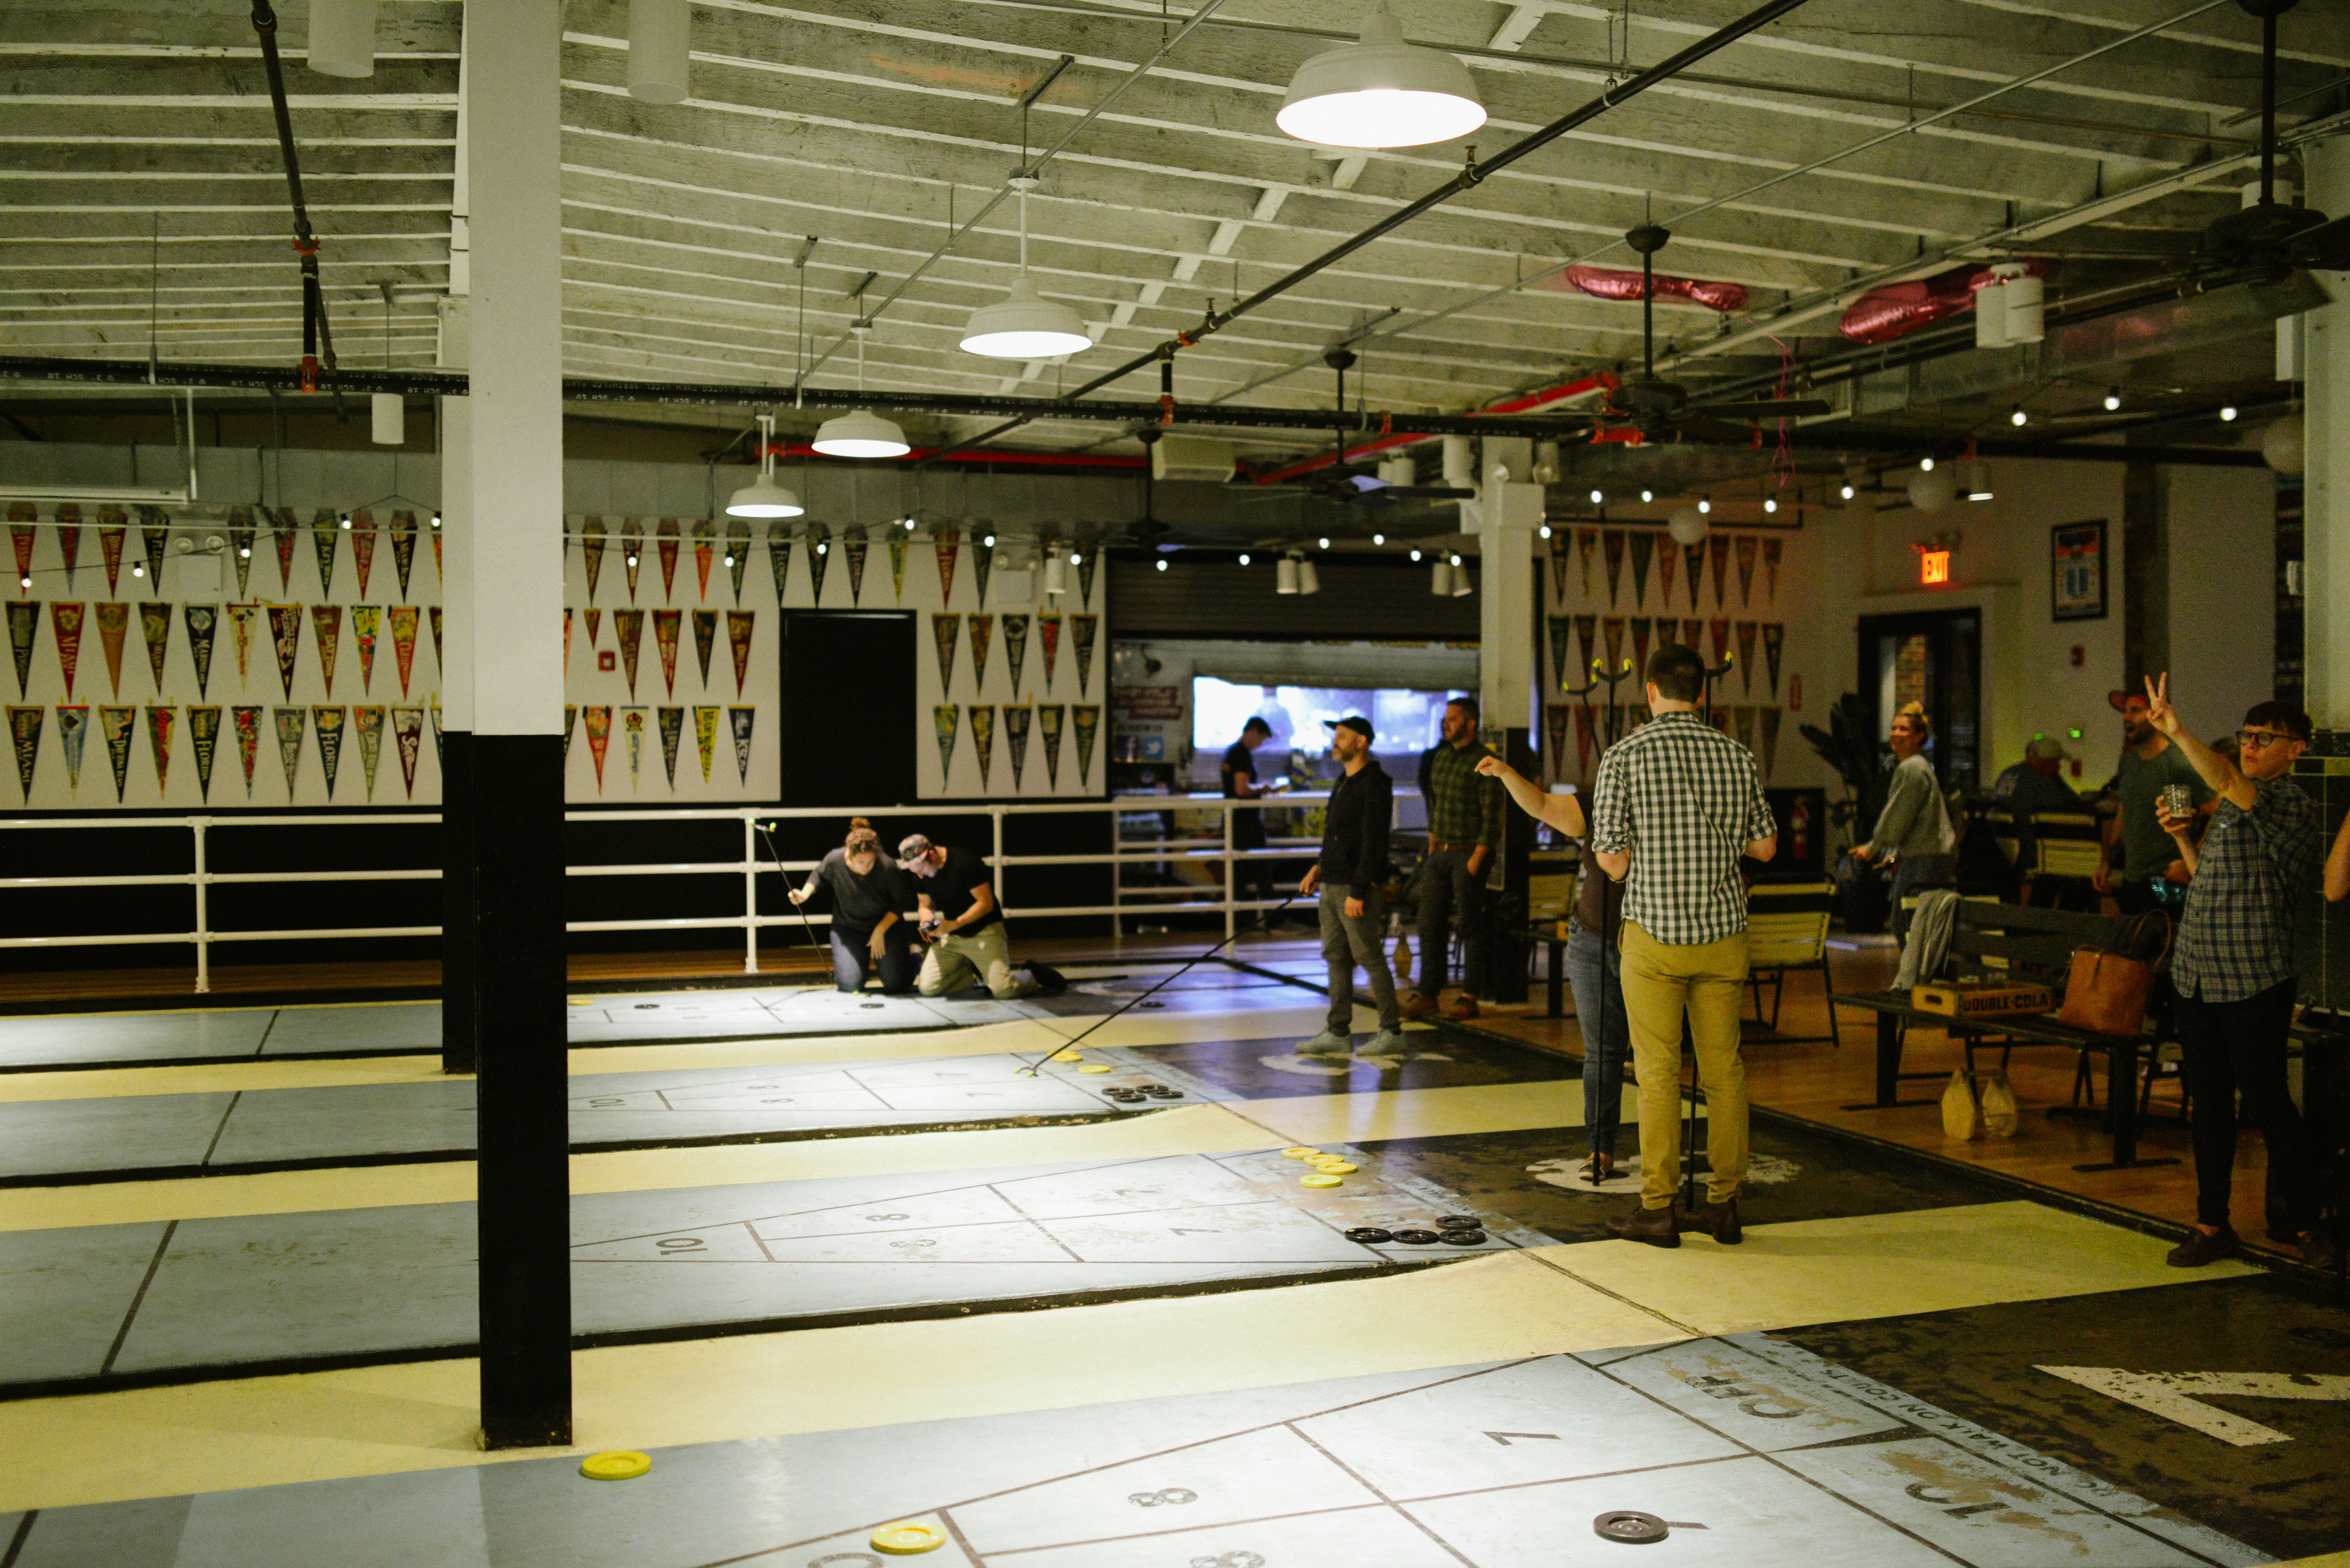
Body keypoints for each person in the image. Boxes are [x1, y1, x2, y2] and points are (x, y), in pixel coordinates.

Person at [1588, 643, 1778, 1246]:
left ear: (1649, 690)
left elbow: (1612, 856)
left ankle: (1659, 1207)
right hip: (1723, 934)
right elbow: (1766, 847)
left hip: (1655, 936)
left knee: (1659, 1074)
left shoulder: (1624, 756)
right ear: (1703, 693)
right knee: (1725, 1072)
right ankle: (1724, 1204)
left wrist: (1627, 872)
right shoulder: (1737, 755)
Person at [2143, 679, 2336, 1272]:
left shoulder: (2292, 806)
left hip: (2253, 976)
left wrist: (2176, 732)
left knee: (2269, 1101)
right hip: (2200, 971)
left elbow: (2226, 777)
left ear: (2295, 749)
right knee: (2210, 1104)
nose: (2251, 745)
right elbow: (2209, 881)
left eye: (2264, 738)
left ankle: (2307, 1219)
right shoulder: (2233, 804)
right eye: (2247, 736)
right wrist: (2181, 837)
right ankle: (2212, 1221)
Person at [1479, 756, 1631, 1184]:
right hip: (1593, 937)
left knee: (1651, 1058)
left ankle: (1661, 1155)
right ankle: (1600, 1149)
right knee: (1602, 1053)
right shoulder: (1599, 801)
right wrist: (1509, 774)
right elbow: (1545, 806)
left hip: (1646, 941)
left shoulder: (1671, 804)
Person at [1297, 715, 1407, 1058]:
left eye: (1343, 737)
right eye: (1336, 736)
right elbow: (1336, 833)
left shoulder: (1374, 782)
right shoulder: (1343, 781)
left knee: (1369, 957)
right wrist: (1318, 867)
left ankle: (1391, 1030)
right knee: (1336, 957)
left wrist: (1360, 890)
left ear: (1362, 742)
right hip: (1331, 882)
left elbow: (1374, 840)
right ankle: (1337, 1031)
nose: (1335, 742)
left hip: (1353, 886)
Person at [1406, 696, 1505, 1022]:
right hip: (1442, 850)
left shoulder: (1486, 760)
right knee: (1428, 922)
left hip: (1468, 853)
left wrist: (1480, 853)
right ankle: (1428, 993)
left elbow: (1493, 812)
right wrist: (1433, 835)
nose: (1445, 723)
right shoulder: (1441, 758)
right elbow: (1434, 801)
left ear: (1470, 724)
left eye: (1452, 719)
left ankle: (1470, 995)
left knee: (1469, 924)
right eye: (1445, 718)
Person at [2096, 687, 2211, 914]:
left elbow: (2218, 812)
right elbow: (2124, 815)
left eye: (2136, 711)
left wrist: (2192, 860)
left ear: (2157, 715)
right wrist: (2107, 862)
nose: (2127, 718)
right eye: (2125, 712)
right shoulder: (2128, 763)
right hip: (2134, 879)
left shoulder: (2179, 761)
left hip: (2169, 881)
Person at [1853, 702, 1956, 939]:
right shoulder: (1919, 767)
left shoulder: (1912, 769)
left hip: (1925, 859)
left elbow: (1899, 815)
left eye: (1904, 730)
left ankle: (1916, 976)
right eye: (1894, 729)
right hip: (1934, 855)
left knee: (1906, 924)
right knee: (1929, 926)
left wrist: (1874, 846)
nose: (1896, 734)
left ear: (1919, 737)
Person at [899, 833, 1038, 1000]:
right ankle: (975, 972)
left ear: (932, 854)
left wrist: (954, 924)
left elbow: (986, 903)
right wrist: (927, 922)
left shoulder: (965, 863)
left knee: (1005, 991)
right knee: (929, 988)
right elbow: (925, 905)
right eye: (915, 871)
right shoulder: (921, 874)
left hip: (984, 932)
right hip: (954, 938)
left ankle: (1032, 975)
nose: (920, 875)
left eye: (921, 869)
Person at [790, 819, 916, 994]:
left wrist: (881, 930)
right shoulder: (835, 859)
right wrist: (804, 894)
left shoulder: (886, 865)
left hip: (886, 929)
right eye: (861, 862)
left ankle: (914, 957)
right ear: (849, 854)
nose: (867, 867)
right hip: (848, 929)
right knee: (850, 985)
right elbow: (819, 875)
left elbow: (903, 900)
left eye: (871, 862)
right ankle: (860, 963)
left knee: (896, 985)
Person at [1992, 734, 2086, 906]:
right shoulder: (2042, 782)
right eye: (2057, 762)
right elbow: (2071, 805)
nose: (2059, 767)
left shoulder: (2009, 774)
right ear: (2046, 763)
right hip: (2037, 853)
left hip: (2004, 848)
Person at [1221, 716, 1284, 912]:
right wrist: (1263, 789)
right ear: (1254, 732)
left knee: (1239, 873)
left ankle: (1238, 922)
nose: (1261, 744)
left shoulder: (1230, 752)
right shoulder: (1241, 754)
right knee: (1262, 870)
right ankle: (1274, 920)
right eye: (1262, 739)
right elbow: (1242, 789)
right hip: (1246, 822)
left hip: (1235, 821)